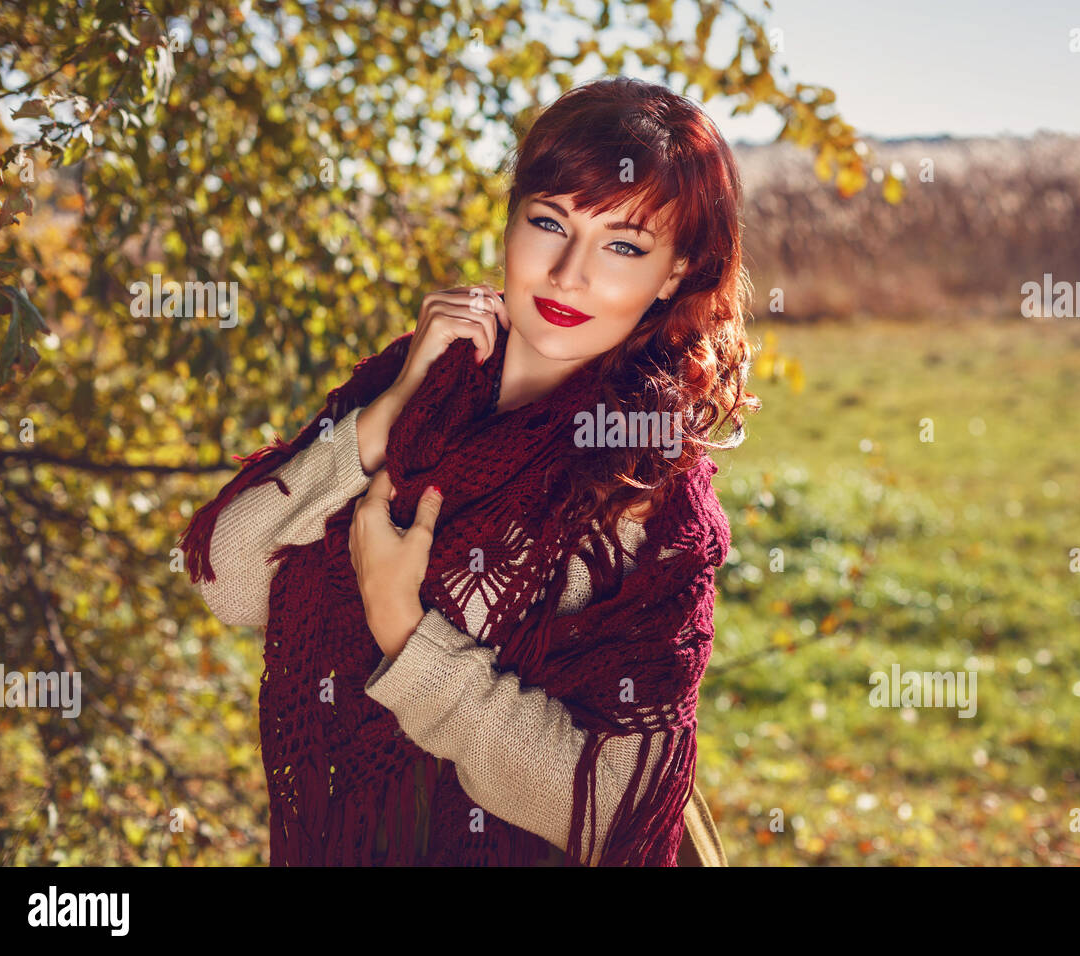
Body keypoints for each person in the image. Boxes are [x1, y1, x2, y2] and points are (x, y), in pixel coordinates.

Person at [185, 75, 759, 866]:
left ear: (672, 275)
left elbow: (614, 809)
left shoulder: (649, 493)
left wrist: (406, 635)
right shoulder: (417, 381)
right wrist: (393, 407)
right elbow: (228, 576)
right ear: (511, 222)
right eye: (549, 222)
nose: (568, 273)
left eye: (623, 245)